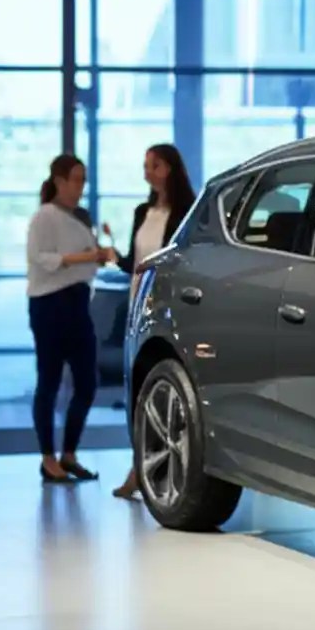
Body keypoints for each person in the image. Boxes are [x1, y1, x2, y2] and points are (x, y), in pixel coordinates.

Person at [111, 144, 196, 499]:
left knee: (157, 386)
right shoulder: (141, 211)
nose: (148, 172)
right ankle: (141, 467)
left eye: (154, 165)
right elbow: (135, 261)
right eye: (146, 165)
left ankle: (146, 470)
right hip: (137, 305)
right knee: (138, 390)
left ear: (170, 169)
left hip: (165, 307)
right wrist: (113, 255)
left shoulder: (185, 213)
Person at [27, 154, 117, 483]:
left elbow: (87, 263)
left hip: (78, 303)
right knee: (48, 381)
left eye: (83, 179)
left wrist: (100, 254)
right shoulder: (44, 217)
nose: (81, 186)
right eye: (76, 179)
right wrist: (86, 256)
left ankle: (69, 453)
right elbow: (41, 258)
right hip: (50, 304)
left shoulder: (80, 218)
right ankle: (48, 457)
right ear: (59, 180)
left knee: (87, 382)